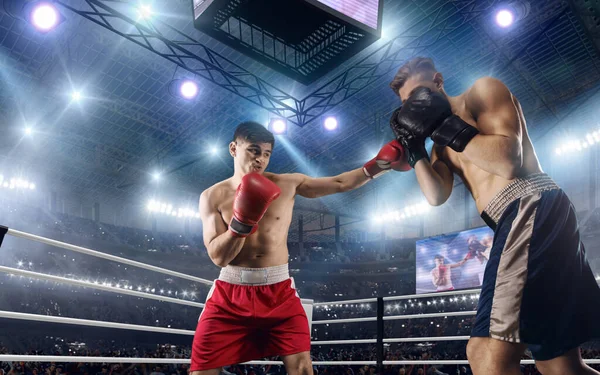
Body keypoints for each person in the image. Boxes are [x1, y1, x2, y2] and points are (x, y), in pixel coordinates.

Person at [388, 57, 600, 374]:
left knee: (485, 351)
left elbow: (507, 161)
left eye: (419, 94)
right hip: (517, 219)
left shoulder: (483, 91)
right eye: (407, 105)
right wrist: (416, 149)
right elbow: (436, 196)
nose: (415, 108)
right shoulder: (439, 149)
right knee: (560, 366)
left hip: (529, 202)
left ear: (438, 80)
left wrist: (443, 127)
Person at [192, 121, 410, 375]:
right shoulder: (212, 196)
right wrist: (241, 224)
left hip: (279, 291)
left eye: (266, 153)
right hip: (230, 293)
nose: (260, 159)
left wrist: (379, 165)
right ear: (233, 148)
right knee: (202, 371)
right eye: (253, 150)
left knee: (303, 369)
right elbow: (218, 256)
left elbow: (339, 183)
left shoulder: (288, 184)